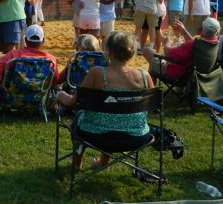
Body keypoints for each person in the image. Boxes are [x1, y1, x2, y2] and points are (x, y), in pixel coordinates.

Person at [56, 30, 154, 170]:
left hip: (98, 136)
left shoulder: (97, 73)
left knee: (80, 118)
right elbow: (153, 104)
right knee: (112, 118)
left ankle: (77, 163)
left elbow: (73, 102)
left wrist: (60, 95)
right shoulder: (144, 75)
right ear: (132, 52)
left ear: (107, 51)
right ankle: (103, 161)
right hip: (137, 136)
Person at [0, 24, 57, 88]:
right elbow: (57, 80)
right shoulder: (50, 59)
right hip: (39, 99)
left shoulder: (14, 55)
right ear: (43, 41)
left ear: (26, 40)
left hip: (11, 99)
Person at [144, 18, 220, 81]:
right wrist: (184, 32)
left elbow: (168, 53)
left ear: (203, 30)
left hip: (177, 74)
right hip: (196, 77)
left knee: (148, 51)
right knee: (155, 61)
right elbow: (195, 45)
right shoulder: (214, 44)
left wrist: (166, 42)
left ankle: (151, 89)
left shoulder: (192, 45)